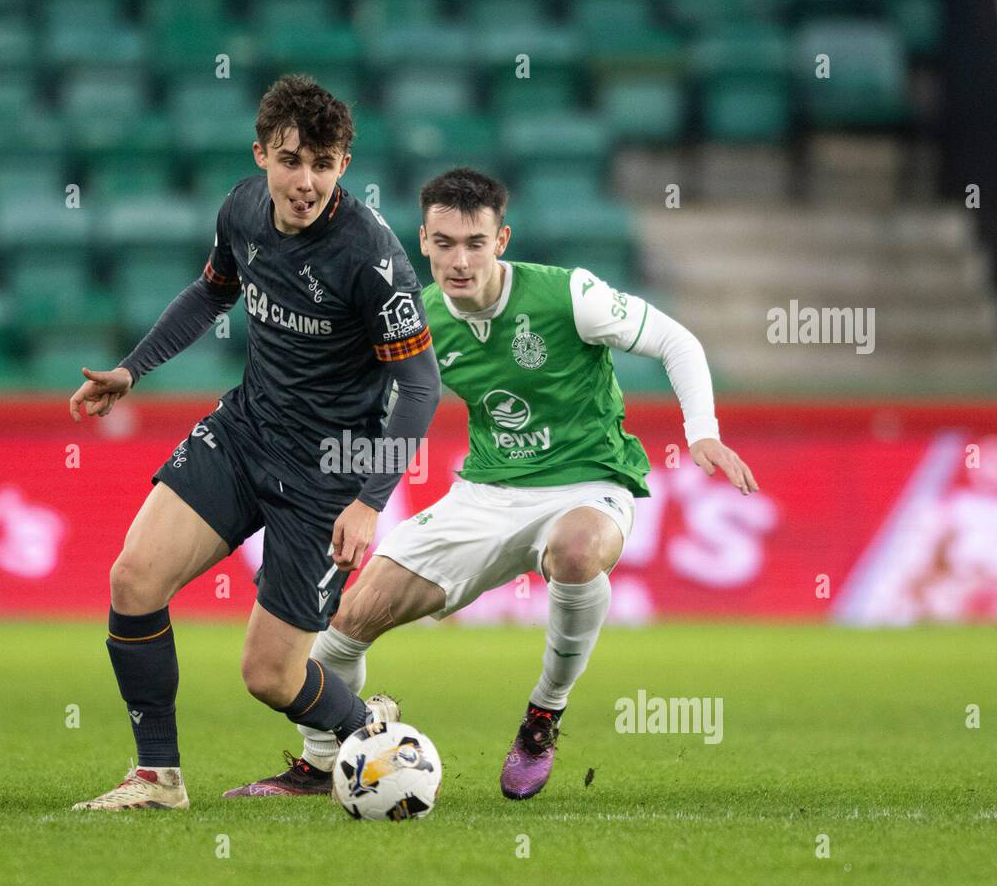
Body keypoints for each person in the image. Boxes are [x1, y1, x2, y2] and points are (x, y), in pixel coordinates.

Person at [226, 167, 758, 801]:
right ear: (421, 242)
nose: (459, 259)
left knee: (578, 552)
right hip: (484, 496)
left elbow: (676, 340)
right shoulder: (413, 318)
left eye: (475, 242)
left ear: (501, 240)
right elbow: (358, 407)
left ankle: (543, 717)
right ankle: (321, 762)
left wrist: (701, 430)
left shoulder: (570, 296)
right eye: (444, 242)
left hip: (588, 483)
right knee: (346, 620)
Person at [67, 76, 441, 810]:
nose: (307, 181)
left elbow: (421, 388)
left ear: (344, 163)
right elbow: (213, 290)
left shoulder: (371, 256)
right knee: (133, 580)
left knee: (269, 675)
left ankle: (368, 725)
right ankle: (157, 777)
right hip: (245, 431)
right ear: (262, 153)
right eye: (293, 159)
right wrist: (130, 368)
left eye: (325, 163)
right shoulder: (242, 208)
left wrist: (369, 501)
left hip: (327, 473)